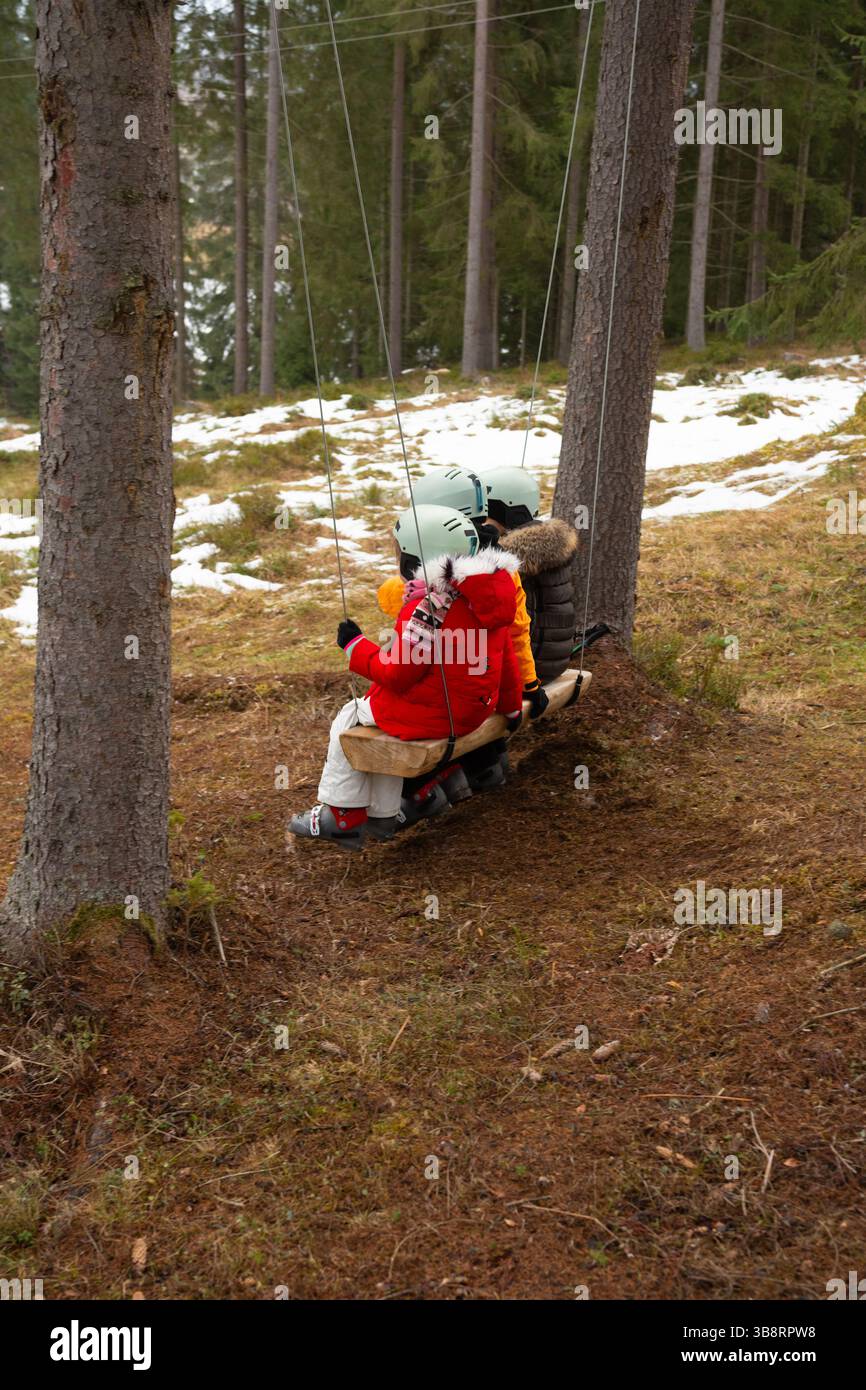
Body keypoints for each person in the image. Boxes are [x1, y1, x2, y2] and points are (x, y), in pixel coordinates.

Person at [288, 503, 522, 850]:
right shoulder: (487, 594)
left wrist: (355, 646)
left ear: (415, 557)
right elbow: (506, 660)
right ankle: (382, 814)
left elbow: (398, 673)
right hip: (474, 710)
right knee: (381, 721)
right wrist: (511, 706)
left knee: (351, 717)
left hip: (438, 716)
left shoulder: (429, 606)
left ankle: (341, 816)